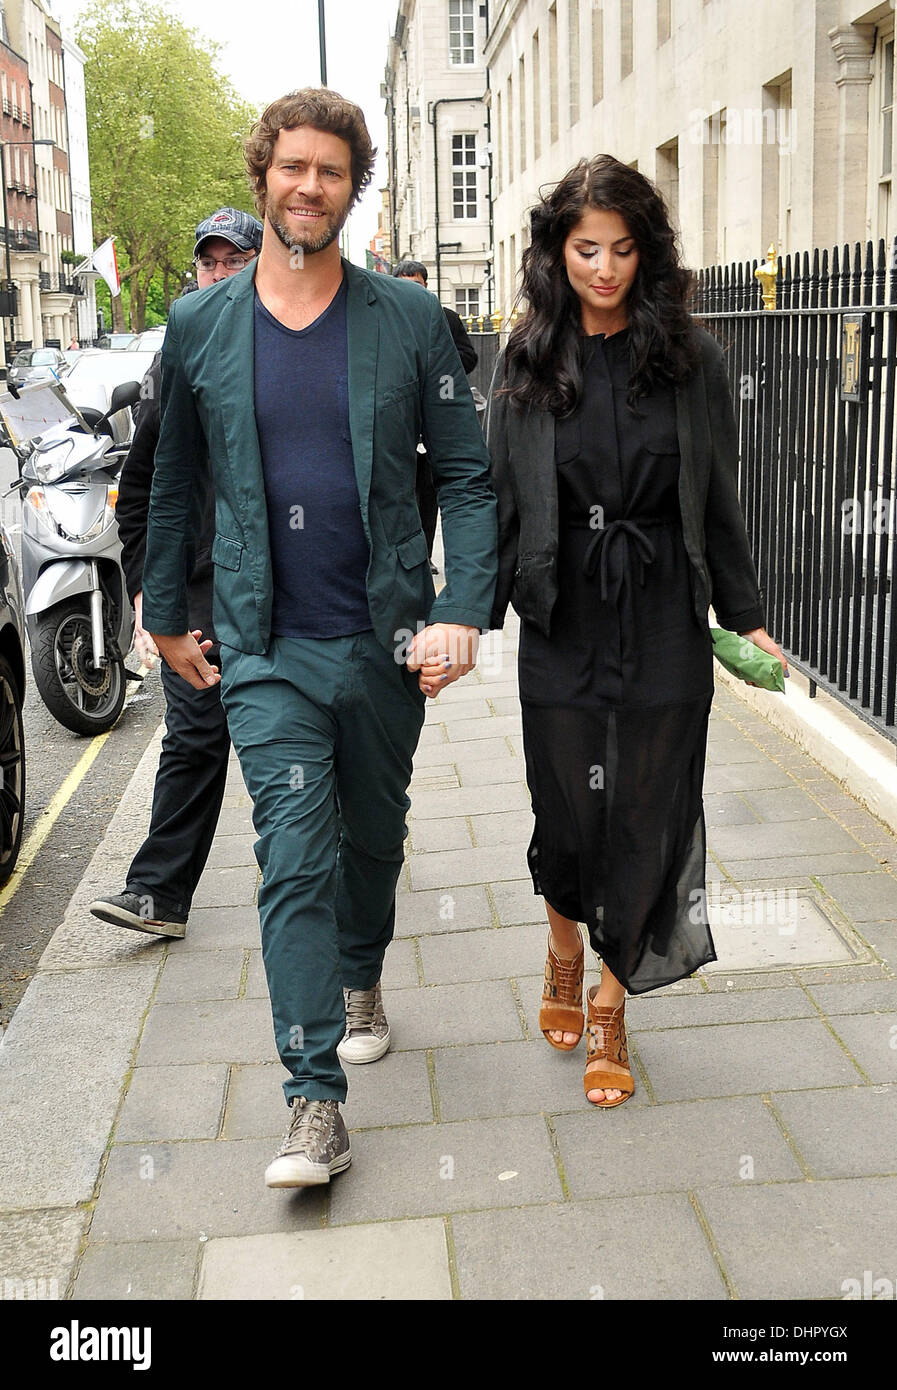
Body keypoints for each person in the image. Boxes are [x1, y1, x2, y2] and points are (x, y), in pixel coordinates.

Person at [140, 89, 497, 1187]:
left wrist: (461, 611)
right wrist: (163, 613)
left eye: (331, 171)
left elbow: (470, 477)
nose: (308, 186)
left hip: (384, 638)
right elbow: (173, 480)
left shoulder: (409, 321)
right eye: (291, 167)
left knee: (373, 841)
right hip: (261, 646)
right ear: (265, 176)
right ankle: (311, 1102)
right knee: (291, 856)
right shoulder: (202, 324)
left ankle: (361, 975)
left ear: (354, 185)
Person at [485, 155, 788, 1108]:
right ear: (557, 253)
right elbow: (497, 500)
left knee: (651, 812)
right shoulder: (527, 358)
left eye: (621, 249)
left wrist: (744, 615)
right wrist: (459, 619)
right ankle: (563, 944)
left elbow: (720, 498)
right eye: (585, 249)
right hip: (564, 611)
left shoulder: (692, 362)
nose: (604, 268)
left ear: (645, 252)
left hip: (662, 611)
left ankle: (613, 1007)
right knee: (568, 812)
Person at [89, 207, 263, 939]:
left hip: (283, 590)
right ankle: (157, 894)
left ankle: (350, 857)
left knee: (299, 745)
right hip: (196, 589)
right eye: (208, 263)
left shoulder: (293, 347)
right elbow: (139, 489)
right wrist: (141, 593)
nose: (218, 275)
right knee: (192, 738)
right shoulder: (176, 361)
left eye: (233, 261)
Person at [392, 260, 478, 571]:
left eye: (416, 285)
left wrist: (440, 364)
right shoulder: (386, 320)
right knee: (400, 495)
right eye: (403, 285)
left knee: (429, 496)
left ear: (426, 286)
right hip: (399, 422)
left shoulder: (445, 318)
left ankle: (424, 555)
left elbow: (469, 357)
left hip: (434, 420)